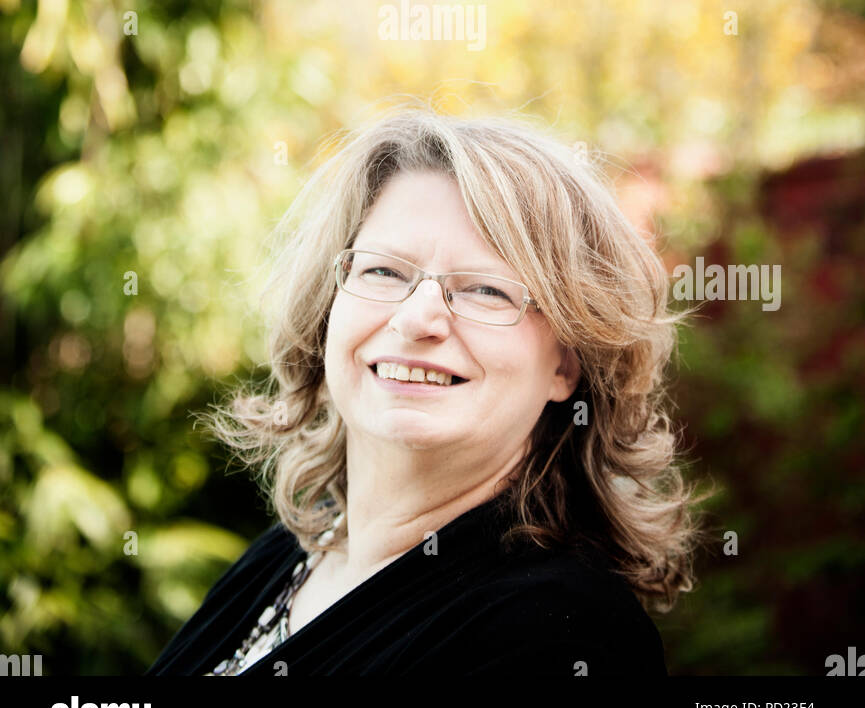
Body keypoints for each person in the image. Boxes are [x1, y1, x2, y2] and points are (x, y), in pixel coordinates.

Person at [146, 107, 705, 677]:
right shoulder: (289, 555)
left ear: (567, 364)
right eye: (384, 272)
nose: (417, 320)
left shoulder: (562, 637)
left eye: (487, 289)